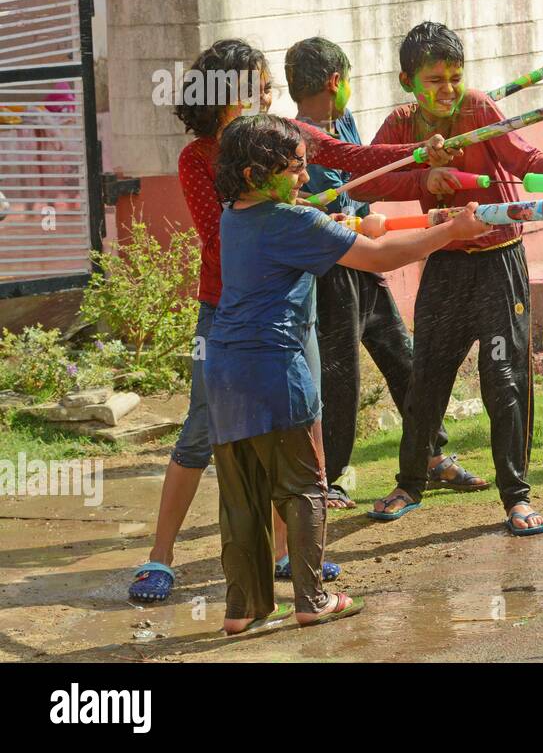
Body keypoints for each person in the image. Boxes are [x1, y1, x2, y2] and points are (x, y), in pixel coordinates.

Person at [128, 39, 451, 603]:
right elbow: (225, 237)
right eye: (258, 86)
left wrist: (421, 150)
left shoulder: (279, 137)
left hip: (290, 307)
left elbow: (348, 156)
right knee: (203, 430)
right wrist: (316, 219)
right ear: (229, 91)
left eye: (269, 86)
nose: (269, 95)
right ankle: (161, 557)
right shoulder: (199, 157)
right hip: (225, 317)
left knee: (304, 419)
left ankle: (287, 554)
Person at [205, 114, 488, 633]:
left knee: (243, 491)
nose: (302, 180)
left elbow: (288, 225)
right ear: (252, 174)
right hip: (276, 368)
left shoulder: (234, 214)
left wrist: (315, 213)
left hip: (224, 370)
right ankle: (312, 599)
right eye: (292, 170)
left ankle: (241, 610)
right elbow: (378, 255)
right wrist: (452, 230)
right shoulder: (294, 223)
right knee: (306, 485)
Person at [364, 22, 543, 535]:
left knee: (504, 380)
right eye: (434, 79)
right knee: (426, 377)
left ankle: (516, 496)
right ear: (408, 81)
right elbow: (374, 175)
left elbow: (525, 159)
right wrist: (422, 174)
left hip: (499, 263)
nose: (447, 89)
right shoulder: (401, 123)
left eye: (454, 76)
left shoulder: (477, 108)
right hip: (444, 262)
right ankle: (410, 482)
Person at [286, 37, 432, 510]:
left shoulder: (341, 120)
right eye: (346, 79)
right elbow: (344, 190)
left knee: (404, 357)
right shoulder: (300, 138)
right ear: (336, 81)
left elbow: (365, 179)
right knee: (339, 376)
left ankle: (431, 453)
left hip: (365, 263)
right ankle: (330, 478)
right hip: (333, 271)